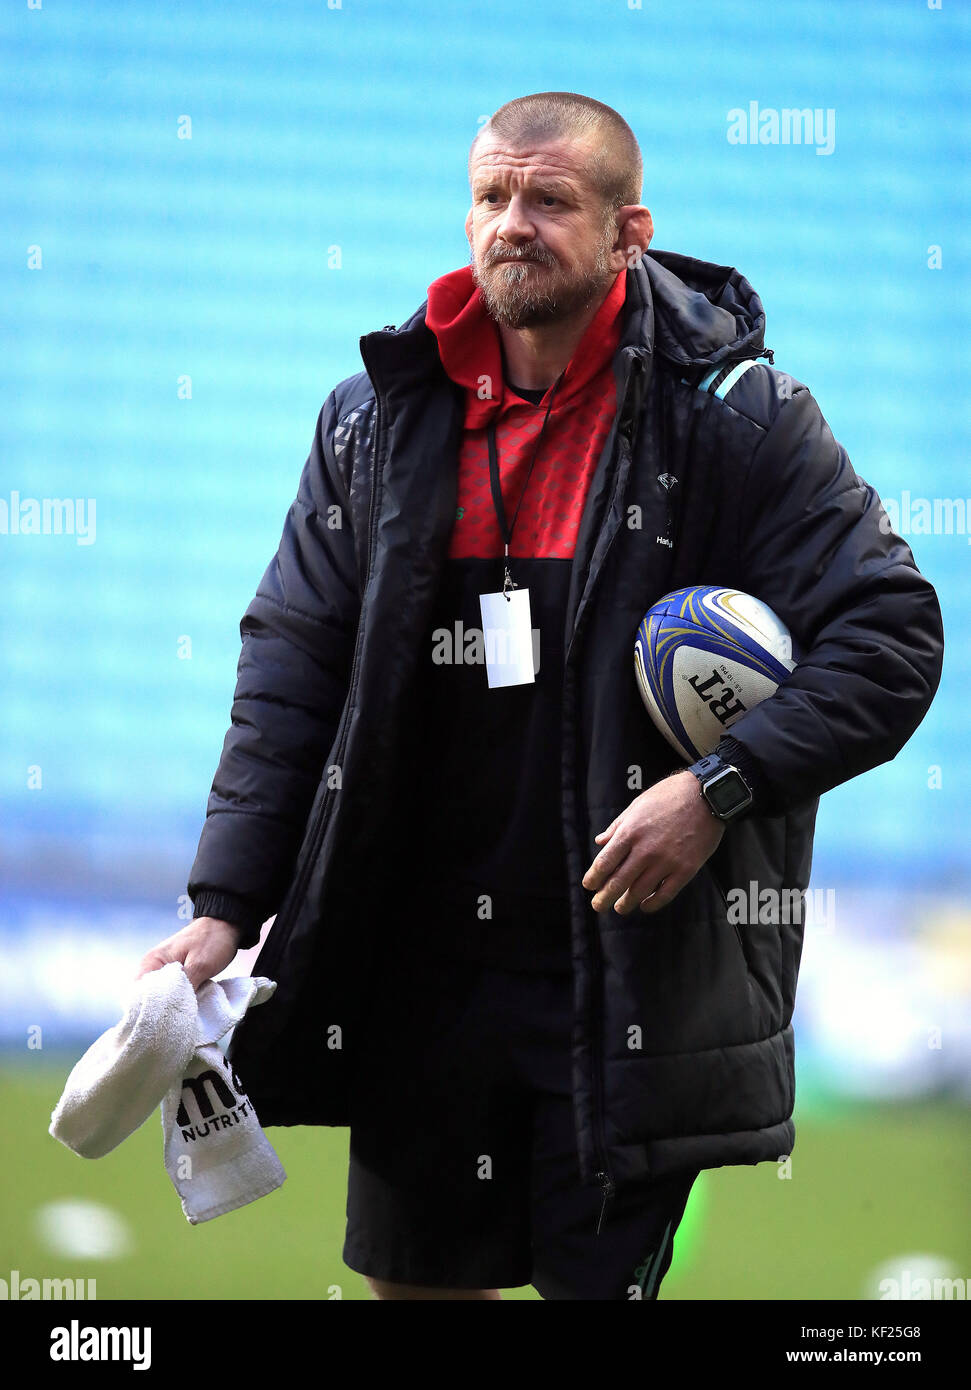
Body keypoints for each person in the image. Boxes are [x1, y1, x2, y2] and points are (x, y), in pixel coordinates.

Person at [137, 92, 944, 1300]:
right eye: (489, 197)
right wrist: (223, 899)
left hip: (621, 977)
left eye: (549, 200)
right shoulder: (375, 417)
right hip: (417, 970)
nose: (510, 224)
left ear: (629, 230)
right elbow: (291, 663)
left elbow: (890, 634)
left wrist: (717, 789)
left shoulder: (733, 415)